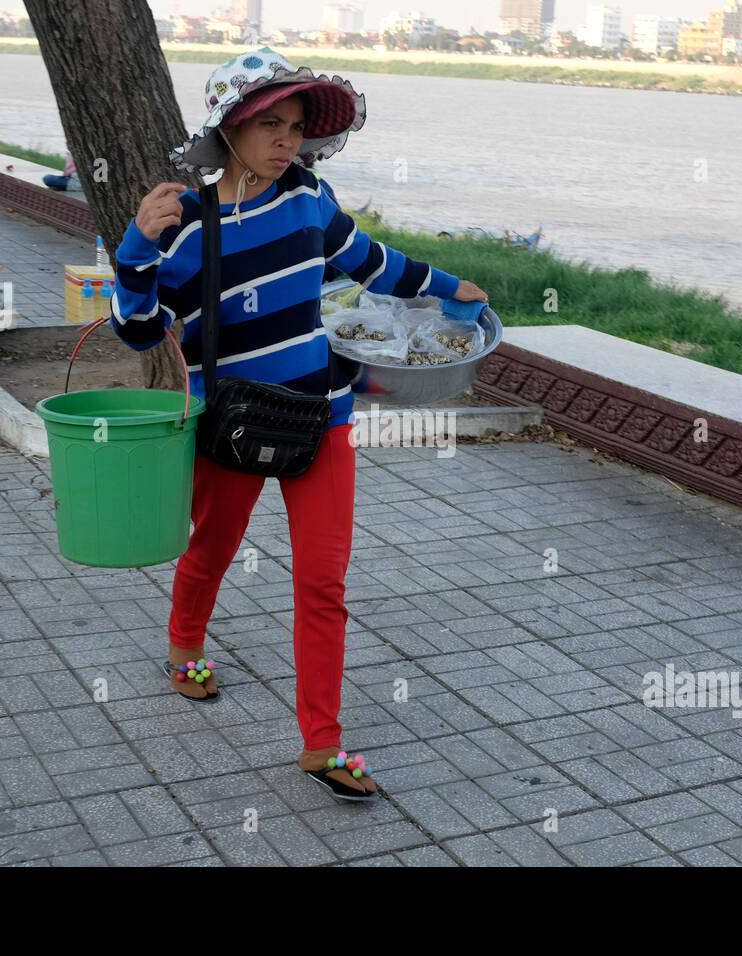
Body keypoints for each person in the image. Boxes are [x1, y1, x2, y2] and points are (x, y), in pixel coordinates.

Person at [111, 48, 488, 802]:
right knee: (211, 549)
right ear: (230, 131)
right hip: (236, 424)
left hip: (323, 418)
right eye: (269, 126)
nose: (287, 141)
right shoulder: (189, 226)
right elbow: (139, 331)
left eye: (295, 127)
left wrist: (452, 288)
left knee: (323, 580)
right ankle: (185, 645)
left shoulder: (311, 200)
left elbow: (373, 264)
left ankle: (322, 742)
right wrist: (134, 252)